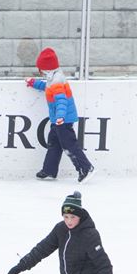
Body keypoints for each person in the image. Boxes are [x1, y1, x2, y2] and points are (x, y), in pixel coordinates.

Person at [28, 47, 94, 182]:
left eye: (40, 68)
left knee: (69, 145)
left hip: (63, 120)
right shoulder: (53, 78)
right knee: (54, 143)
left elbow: (62, 100)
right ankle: (49, 170)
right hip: (58, 119)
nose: (39, 71)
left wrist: (60, 117)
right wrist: (34, 83)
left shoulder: (57, 80)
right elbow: (47, 88)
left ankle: (85, 167)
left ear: (45, 68)